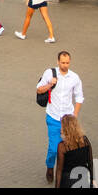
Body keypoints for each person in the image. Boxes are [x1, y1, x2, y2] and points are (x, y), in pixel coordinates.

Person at [37, 51, 84, 184]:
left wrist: (74, 115)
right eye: (63, 62)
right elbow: (38, 90)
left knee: (69, 148)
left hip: (68, 120)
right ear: (58, 62)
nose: (65, 65)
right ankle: (50, 166)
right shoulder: (49, 73)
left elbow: (79, 97)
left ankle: (63, 174)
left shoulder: (74, 77)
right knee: (53, 148)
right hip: (53, 117)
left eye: (67, 62)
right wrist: (50, 84)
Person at [54, 112, 94, 189]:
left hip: (68, 180)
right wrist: (92, 180)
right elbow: (90, 162)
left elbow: (59, 170)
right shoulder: (85, 141)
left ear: (65, 129)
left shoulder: (62, 146)